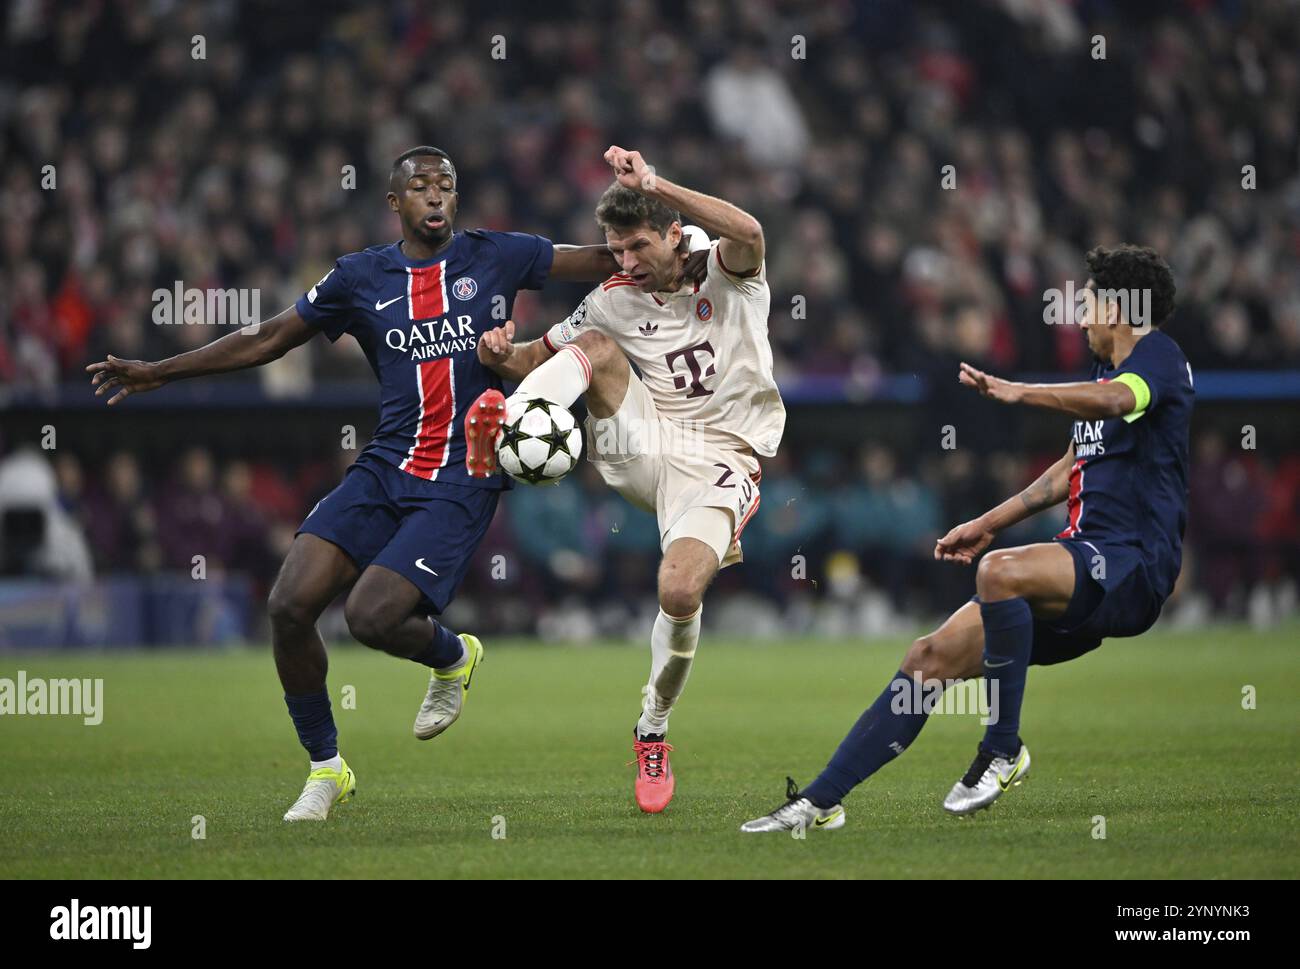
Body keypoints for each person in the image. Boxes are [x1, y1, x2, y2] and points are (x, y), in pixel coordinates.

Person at [86, 146, 676, 822]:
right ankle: (325, 768)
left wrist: (684, 245)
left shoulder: (498, 256)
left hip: (463, 476)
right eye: (420, 186)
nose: (436, 196)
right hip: (385, 464)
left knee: (370, 616)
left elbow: (609, 259)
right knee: (288, 604)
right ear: (394, 202)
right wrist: (161, 371)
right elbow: (271, 337)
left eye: (447, 186)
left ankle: (452, 655)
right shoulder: (360, 276)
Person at [742, 244, 1191, 832]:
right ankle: (818, 804)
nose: (1080, 314)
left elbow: (1116, 400)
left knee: (1000, 572)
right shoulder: (1104, 376)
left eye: (1088, 302)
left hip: (1132, 568)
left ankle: (1002, 749)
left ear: (1118, 308)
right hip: (1083, 565)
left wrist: (1020, 391)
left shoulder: (1158, 357)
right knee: (927, 660)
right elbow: (1068, 469)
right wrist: (986, 523)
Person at [464, 146, 783, 813]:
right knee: (596, 350)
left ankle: (652, 727)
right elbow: (542, 354)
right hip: (644, 442)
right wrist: (501, 357)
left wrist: (657, 181)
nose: (626, 262)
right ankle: (505, 429)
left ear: (674, 232)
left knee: (678, 586)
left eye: (638, 245)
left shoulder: (724, 266)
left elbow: (751, 232)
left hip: (723, 457)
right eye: (615, 248)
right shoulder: (612, 297)